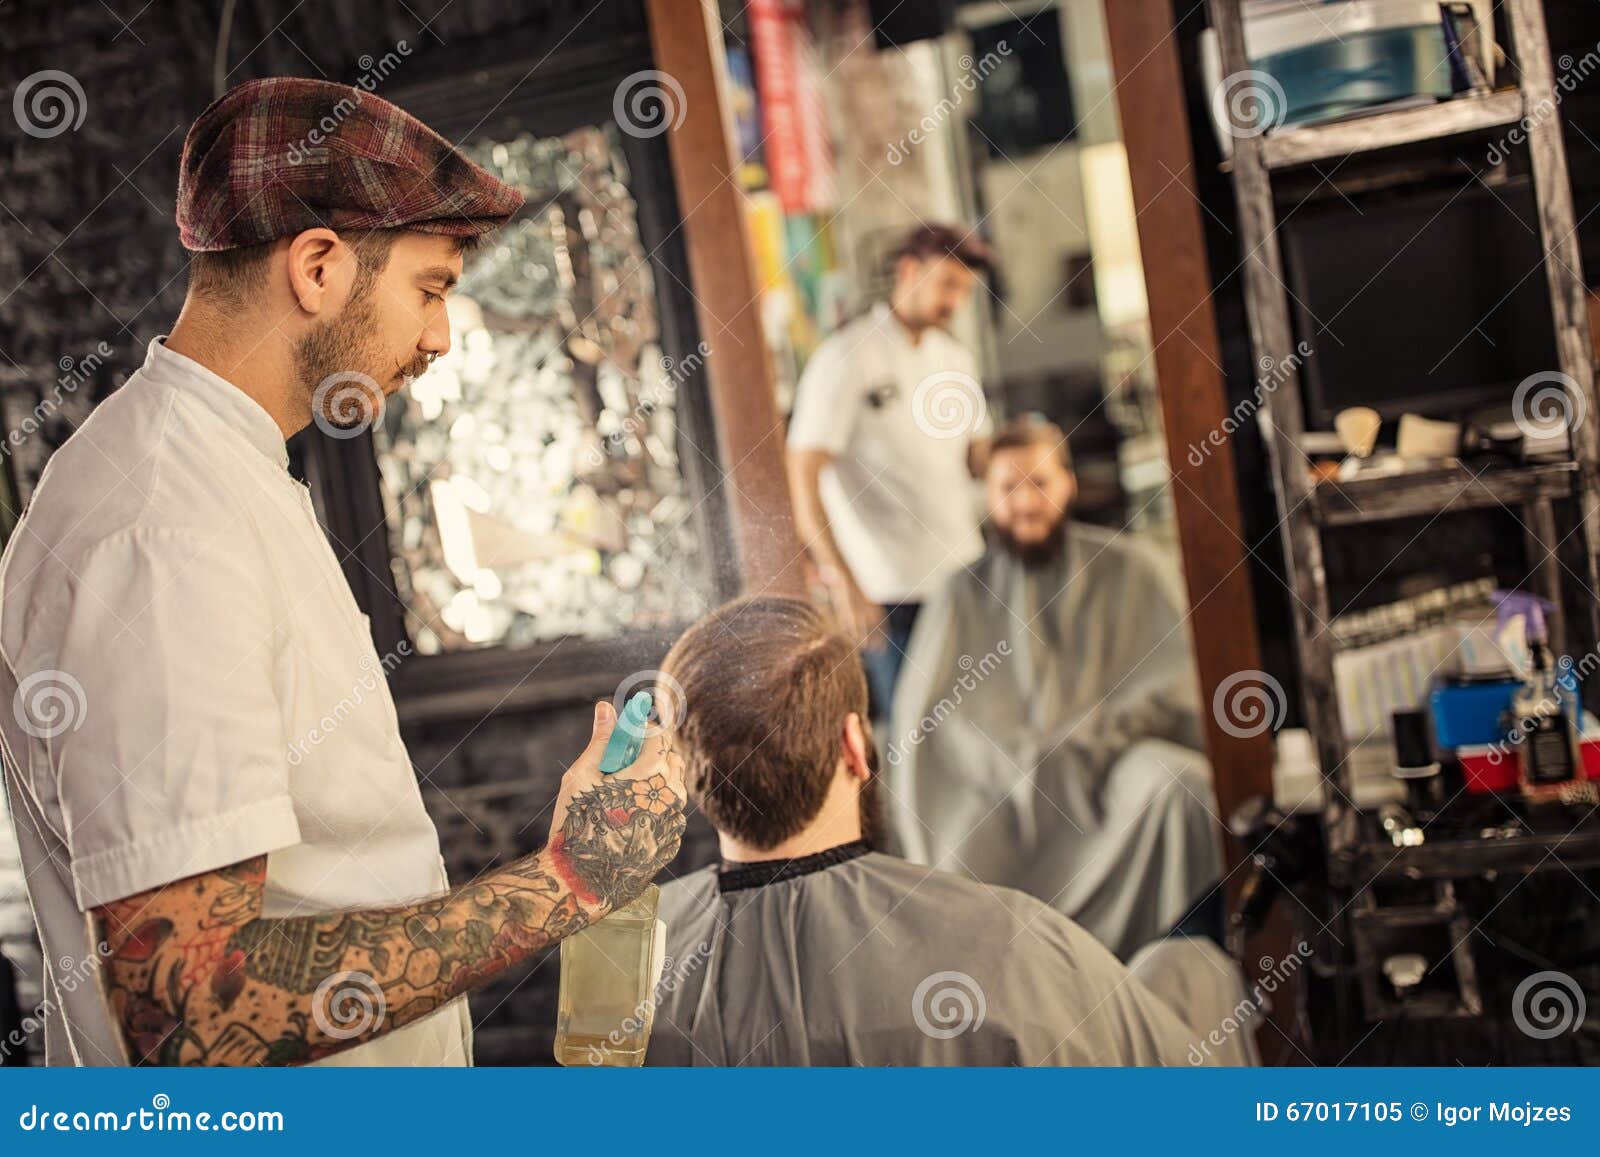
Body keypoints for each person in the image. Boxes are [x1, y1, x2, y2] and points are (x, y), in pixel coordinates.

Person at [0, 78, 685, 1067]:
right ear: (318, 267)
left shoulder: (221, 470)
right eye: (431, 289)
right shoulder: (163, 531)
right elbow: (193, 1004)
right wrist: (565, 884)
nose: (440, 336)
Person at [643, 595, 1242, 1067]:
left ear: (686, 770)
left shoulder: (626, 966)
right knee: (1192, 971)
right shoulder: (1007, 943)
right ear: (856, 744)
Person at [887, 415, 1223, 961]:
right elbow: (931, 723)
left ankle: (1175, 965)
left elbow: (1174, 687)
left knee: (1180, 789)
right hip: (996, 792)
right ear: (986, 496)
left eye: (1039, 484)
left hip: (1109, 775)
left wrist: (1093, 740)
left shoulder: (1129, 568)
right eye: (1008, 488)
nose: (1024, 503)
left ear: (1068, 483)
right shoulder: (959, 594)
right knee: (958, 845)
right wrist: (1013, 760)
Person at [786, 223, 994, 722]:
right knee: (914, 738)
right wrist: (843, 583)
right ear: (908, 270)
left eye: (964, 291)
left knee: (979, 728)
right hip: (890, 596)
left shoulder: (955, 359)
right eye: (947, 285)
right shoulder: (845, 356)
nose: (955, 302)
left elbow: (978, 461)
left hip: (967, 578)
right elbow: (802, 472)